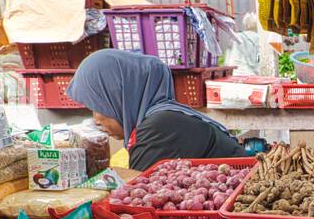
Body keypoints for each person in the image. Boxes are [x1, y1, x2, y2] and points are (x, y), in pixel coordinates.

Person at [66, 49, 246, 171]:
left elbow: (136, 200)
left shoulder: (161, 127)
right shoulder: (164, 118)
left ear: (120, 96)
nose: (96, 119)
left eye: (98, 106)